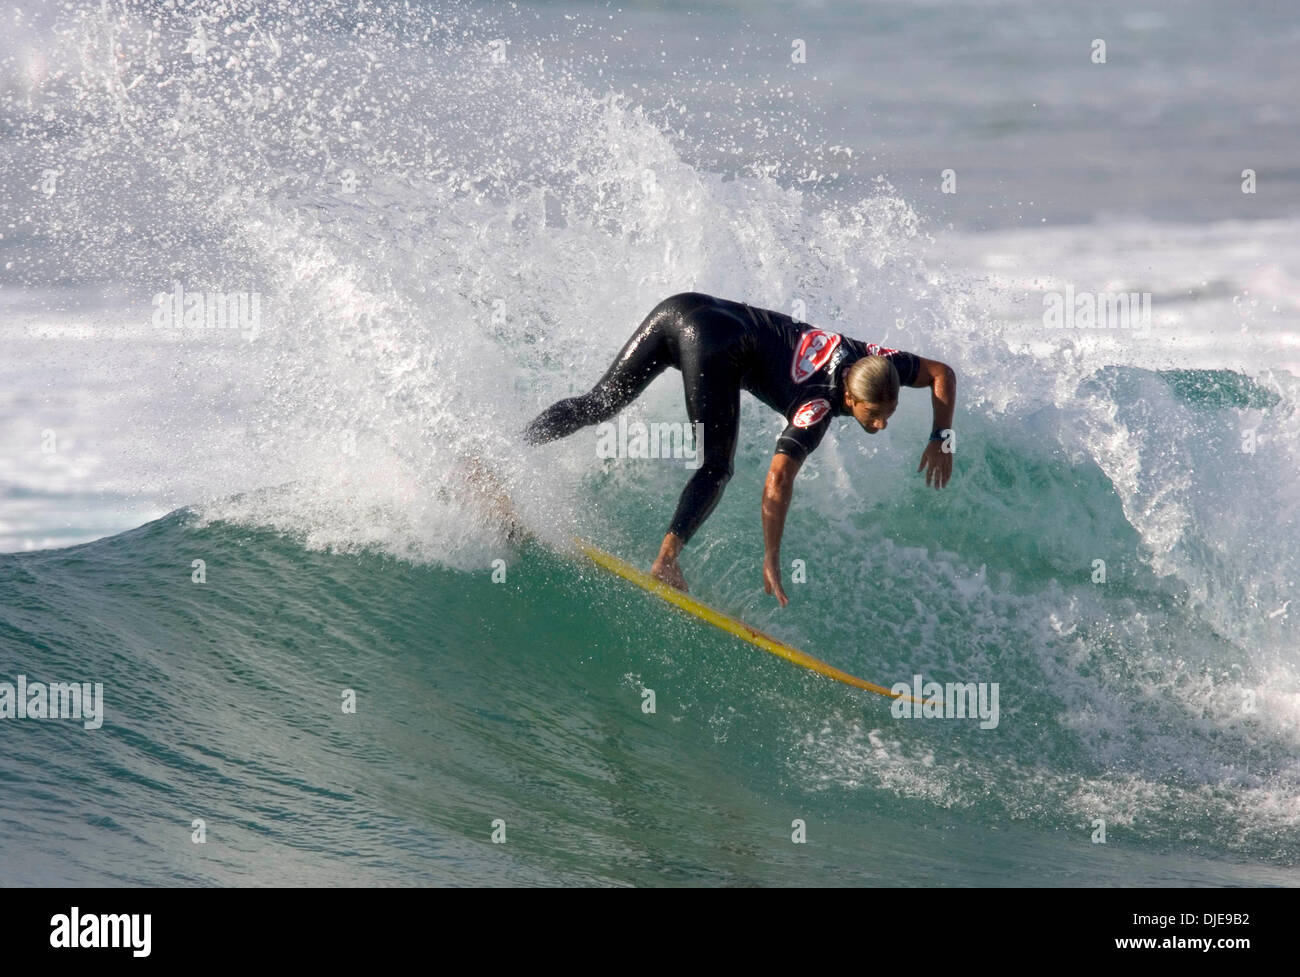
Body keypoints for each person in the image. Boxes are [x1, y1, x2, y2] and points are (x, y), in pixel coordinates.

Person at [522, 292, 956, 604]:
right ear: (850, 399)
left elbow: (941, 372)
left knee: (599, 404)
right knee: (716, 467)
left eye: (890, 411)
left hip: (681, 307)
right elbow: (778, 480)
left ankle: (511, 448)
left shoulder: (879, 364)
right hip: (713, 344)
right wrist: (771, 556)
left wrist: (940, 437)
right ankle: (667, 560)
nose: (881, 423)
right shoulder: (816, 407)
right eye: (873, 414)